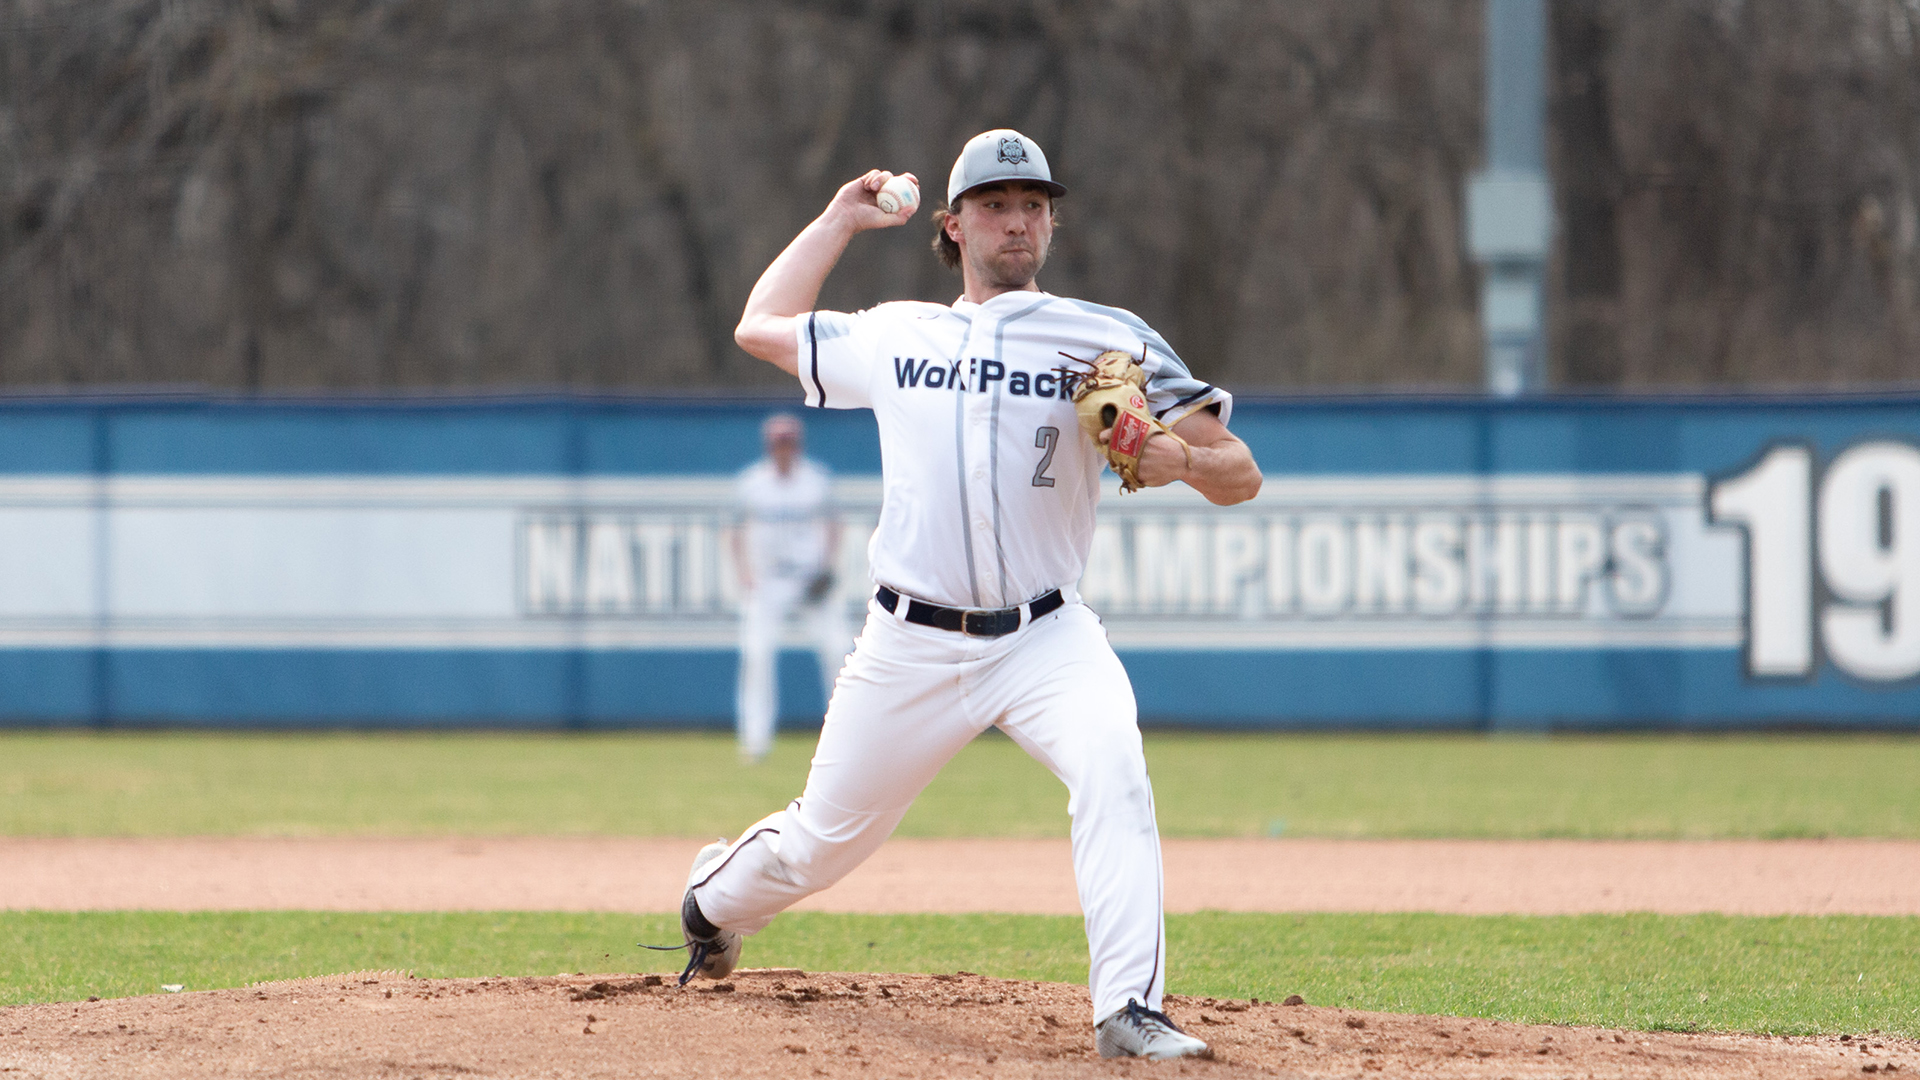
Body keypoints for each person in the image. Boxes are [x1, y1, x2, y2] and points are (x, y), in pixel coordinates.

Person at [678, 129, 1262, 1061]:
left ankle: (1127, 1009)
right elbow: (759, 323)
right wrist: (838, 219)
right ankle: (709, 904)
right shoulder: (898, 334)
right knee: (819, 847)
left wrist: (1183, 458)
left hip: (1046, 635)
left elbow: (1243, 475)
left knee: (1114, 766)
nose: (1019, 220)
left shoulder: (1107, 338)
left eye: (1035, 204)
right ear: (954, 227)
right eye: (996, 205)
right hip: (909, 639)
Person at [731, 413, 850, 764]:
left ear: (797, 444)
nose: (784, 449)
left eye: (789, 442)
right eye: (778, 443)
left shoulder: (816, 480)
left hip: (808, 577)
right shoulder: (751, 482)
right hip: (768, 580)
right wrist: (744, 573)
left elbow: (834, 525)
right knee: (756, 654)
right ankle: (755, 741)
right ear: (769, 446)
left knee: (838, 652)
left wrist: (828, 567)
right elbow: (734, 530)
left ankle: (843, 741)